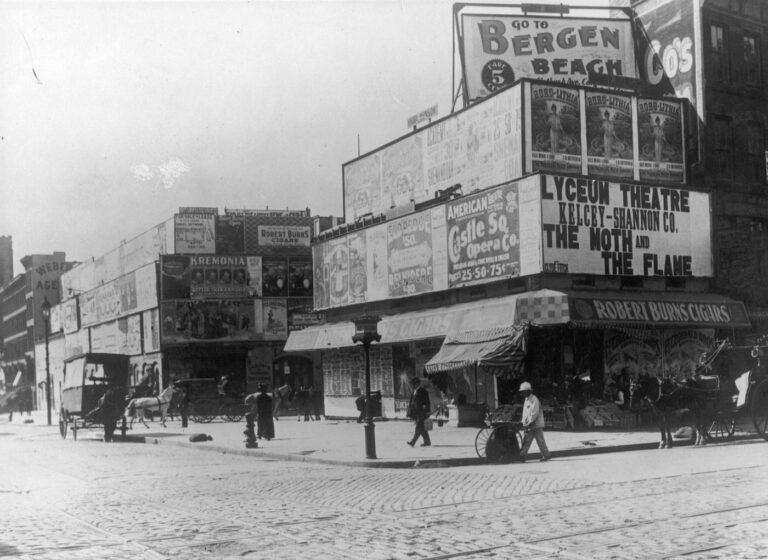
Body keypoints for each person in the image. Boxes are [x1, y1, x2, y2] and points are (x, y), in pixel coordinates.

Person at [518, 381, 550, 462]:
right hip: (530, 424)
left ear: (527, 391)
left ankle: (546, 455)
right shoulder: (527, 399)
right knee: (526, 440)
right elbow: (525, 413)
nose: (522, 393)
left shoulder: (534, 399)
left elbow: (535, 412)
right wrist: (523, 422)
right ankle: (522, 456)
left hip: (536, 424)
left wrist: (529, 422)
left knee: (540, 440)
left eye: (523, 391)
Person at [406, 377, 431, 447]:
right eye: (412, 384)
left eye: (413, 384)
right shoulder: (414, 391)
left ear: (417, 384)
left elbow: (427, 403)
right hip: (415, 413)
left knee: (418, 427)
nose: (412, 385)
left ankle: (413, 442)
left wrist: (427, 411)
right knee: (422, 428)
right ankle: (427, 441)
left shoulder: (423, 391)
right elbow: (411, 402)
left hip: (422, 413)